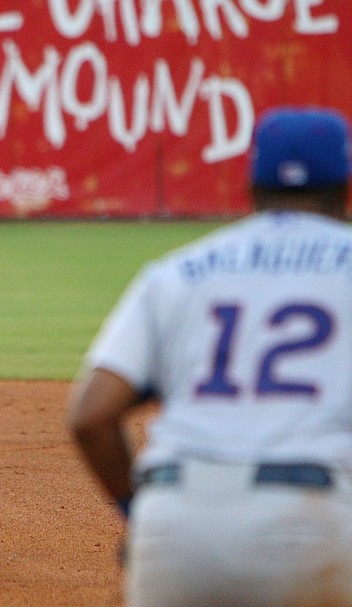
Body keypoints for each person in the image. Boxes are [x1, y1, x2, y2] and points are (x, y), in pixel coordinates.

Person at [68, 106, 352, 607]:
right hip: (312, 519)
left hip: (178, 522)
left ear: (250, 184)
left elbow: (92, 414)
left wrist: (138, 511)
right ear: (345, 186)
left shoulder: (181, 271)